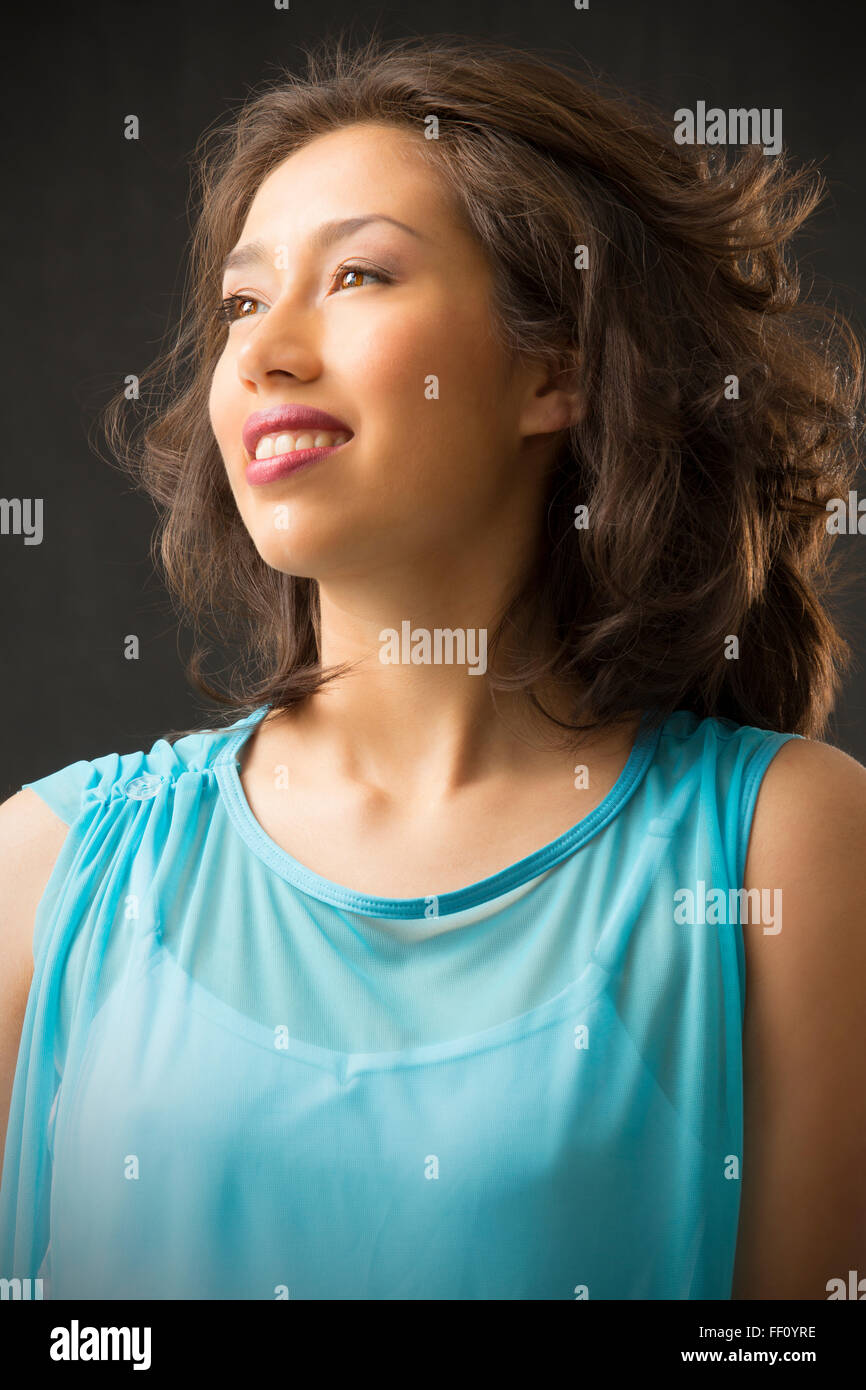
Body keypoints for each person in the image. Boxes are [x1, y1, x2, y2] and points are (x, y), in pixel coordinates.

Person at [1, 33, 864, 1301]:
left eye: (355, 275)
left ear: (554, 368)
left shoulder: (785, 849)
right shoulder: (40, 868)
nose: (262, 352)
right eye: (241, 301)